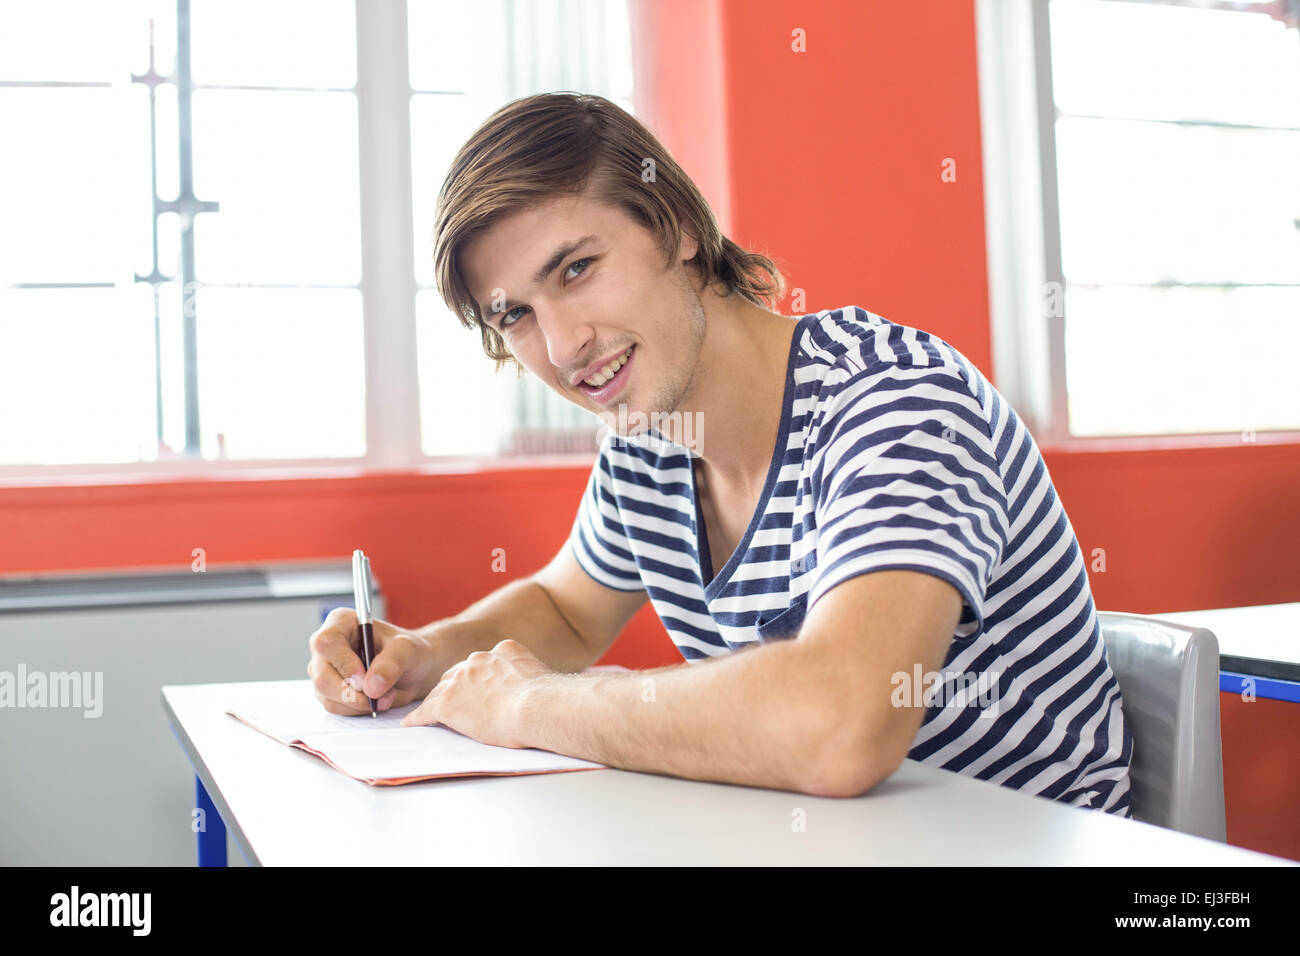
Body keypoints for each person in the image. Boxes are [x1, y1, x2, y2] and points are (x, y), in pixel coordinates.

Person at [307, 92, 1133, 811]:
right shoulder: (647, 439)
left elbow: (841, 723)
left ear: (676, 228)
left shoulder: (896, 400)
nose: (561, 346)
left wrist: (531, 706)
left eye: (578, 269)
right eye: (514, 316)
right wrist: (424, 657)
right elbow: (564, 611)